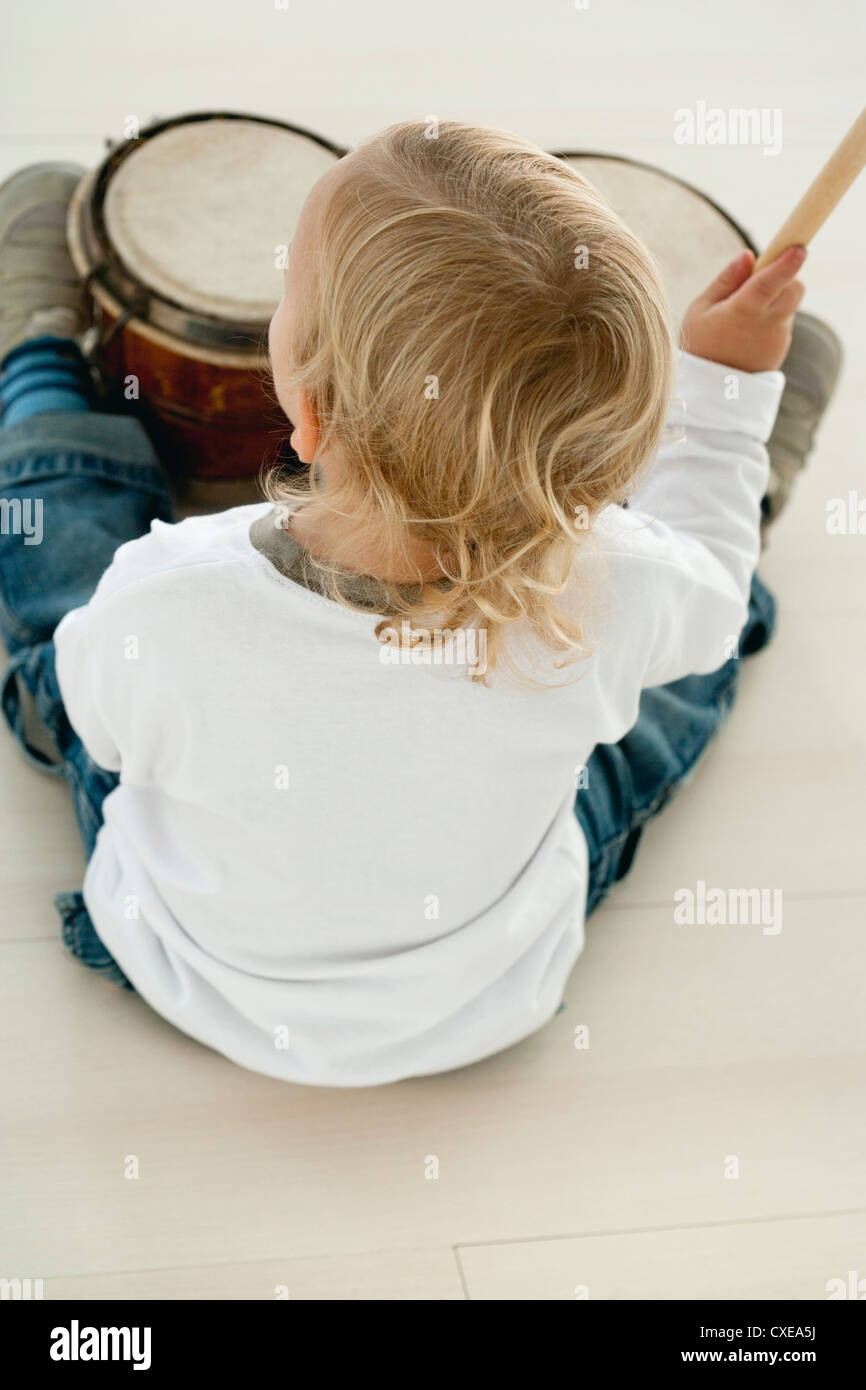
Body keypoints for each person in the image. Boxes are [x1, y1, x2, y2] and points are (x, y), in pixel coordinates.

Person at [0, 122, 840, 1086]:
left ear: (307, 417)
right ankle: (748, 482)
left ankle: (37, 362)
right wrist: (728, 393)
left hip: (195, 968)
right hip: (477, 990)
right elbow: (701, 599)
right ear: (614, 460)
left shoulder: (172, 595)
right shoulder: (623, 581)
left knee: (60, 615)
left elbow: (102, 733)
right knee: (696, 649)